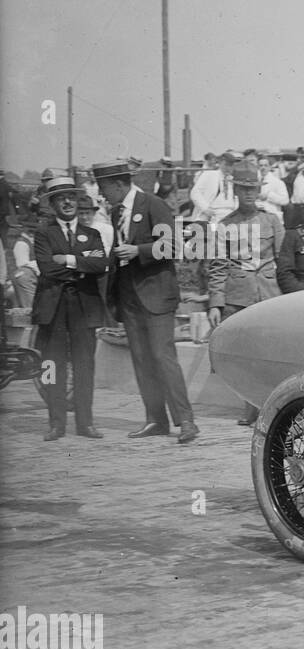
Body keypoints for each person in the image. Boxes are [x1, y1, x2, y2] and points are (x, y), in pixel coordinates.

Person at [95, 158, 200, 444]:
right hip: (129, 296)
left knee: (163, 357)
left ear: (119, 184)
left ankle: (186, 421)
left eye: (104, 188)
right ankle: (155, 419)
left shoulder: (152, 204)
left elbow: (173, 244)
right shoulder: (116, 212)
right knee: (142, 359)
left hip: (156, 295)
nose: (102, 194)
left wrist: (137, 249)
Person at [31, 177, 110, 440]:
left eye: (71, 197)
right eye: (60, 198)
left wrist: (66, 259)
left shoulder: (93, 234)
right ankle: (56, 423)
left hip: (84, 308)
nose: (67, 202)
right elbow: (46, 267)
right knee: (52, 366)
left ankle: (85, 423)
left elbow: (101, 266)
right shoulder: (43, 234)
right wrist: (82, 263)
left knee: (84, 365)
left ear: (78, 201)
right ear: (53, 204)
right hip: (52, 308)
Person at [206, 163, 284, 424]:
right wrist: (216, 303)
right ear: (236, 190)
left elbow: (283, 261)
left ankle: (272, 405)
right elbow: (217, 266)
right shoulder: (225, 225)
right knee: (245, 353)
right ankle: (250, 404)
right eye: (244, 189)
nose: (249, 194)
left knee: (274, 351)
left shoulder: (271, 220)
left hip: (270, 294)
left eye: (253, 189)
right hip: (239, 297)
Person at [189, 150, 238, 223]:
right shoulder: (209, 175)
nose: (228, 168)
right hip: (211, 215)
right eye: (226, 165)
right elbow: (195, 193)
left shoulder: (233, 180)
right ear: (220, 163)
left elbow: (236, 199)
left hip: (229, 215)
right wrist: (205, 208)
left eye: (230, 165)